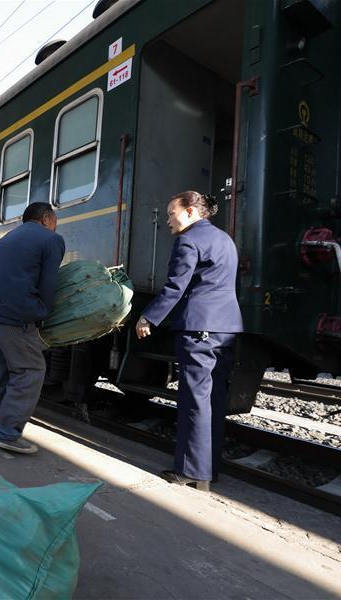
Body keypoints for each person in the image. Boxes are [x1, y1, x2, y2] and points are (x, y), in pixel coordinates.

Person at [136, 191, 243, 491]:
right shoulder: (225, 240)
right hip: (226, 328)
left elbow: (175, 287)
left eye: (172, 212)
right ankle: (208, 471)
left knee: (194, 399)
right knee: (214, 400)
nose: (168, 219)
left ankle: (191, 472)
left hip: (199, 329)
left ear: (192, 211)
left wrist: (148, 317)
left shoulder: (188, 240)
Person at [0, 203, 65, 455]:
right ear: (45, 218)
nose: (56, 225)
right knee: (30, 369)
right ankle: (7, 433)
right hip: (8, 313)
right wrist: (41, 313)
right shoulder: (51, 239)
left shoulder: (7, 238)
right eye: (55, 220)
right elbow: (49, 283)